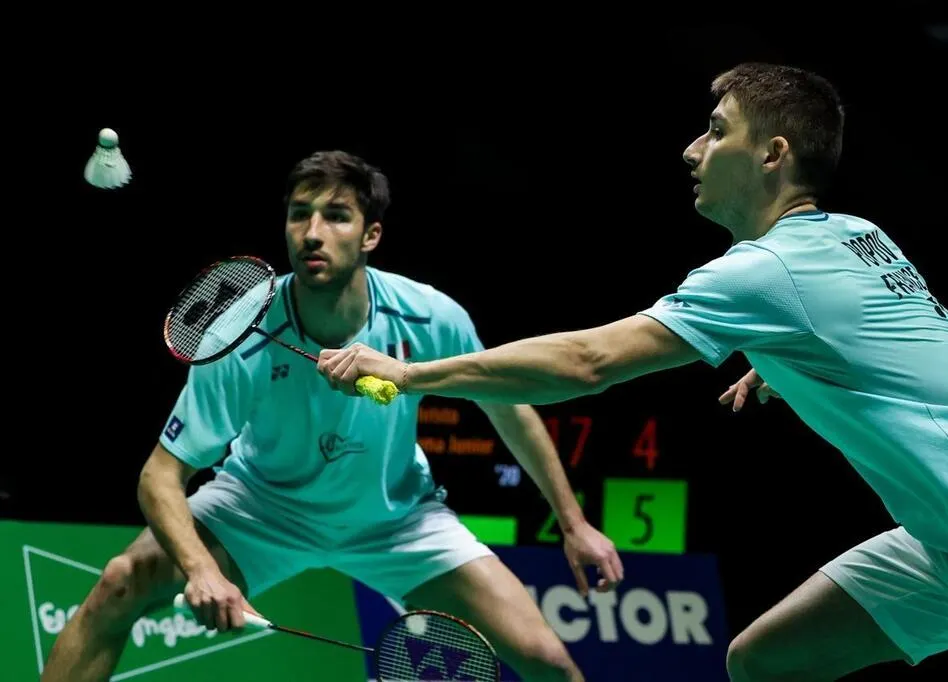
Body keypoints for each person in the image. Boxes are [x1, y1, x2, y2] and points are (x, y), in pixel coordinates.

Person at [317, 63, 948, 680]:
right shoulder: (857, 233)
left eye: (717, 131)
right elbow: (898, 343)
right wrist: (781, 364)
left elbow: (587, 363)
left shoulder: (763, 273)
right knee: (768, 661)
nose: (692, 150)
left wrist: (412, 376)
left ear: (773, 153)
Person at [42, 150, 625, 682]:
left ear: (371, 234)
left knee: (551, 665)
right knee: (119, 584)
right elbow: (160, 475)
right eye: (300, 215)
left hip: (396, 518)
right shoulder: (241, 331)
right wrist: (200, 569)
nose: (312, 233)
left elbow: (507, 406)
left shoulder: (428, 317)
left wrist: (572, 523)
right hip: (260, 508)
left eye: (336, 216)